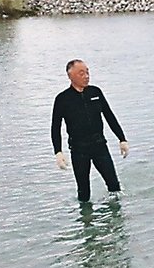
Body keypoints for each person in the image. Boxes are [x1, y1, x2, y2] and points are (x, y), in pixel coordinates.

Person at [51, 58, 129, 202]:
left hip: (100, 146)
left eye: (87, 72)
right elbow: (55, 127)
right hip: (79, 150)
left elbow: (109, 116)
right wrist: (58, 152)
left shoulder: (95, 92)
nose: (86, 76)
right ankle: (87, 221)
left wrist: (122, 139)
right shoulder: (62, 99)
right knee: (84, 192)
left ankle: (116, 221)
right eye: (81, 73)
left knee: (114, 186)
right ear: (70, 76)